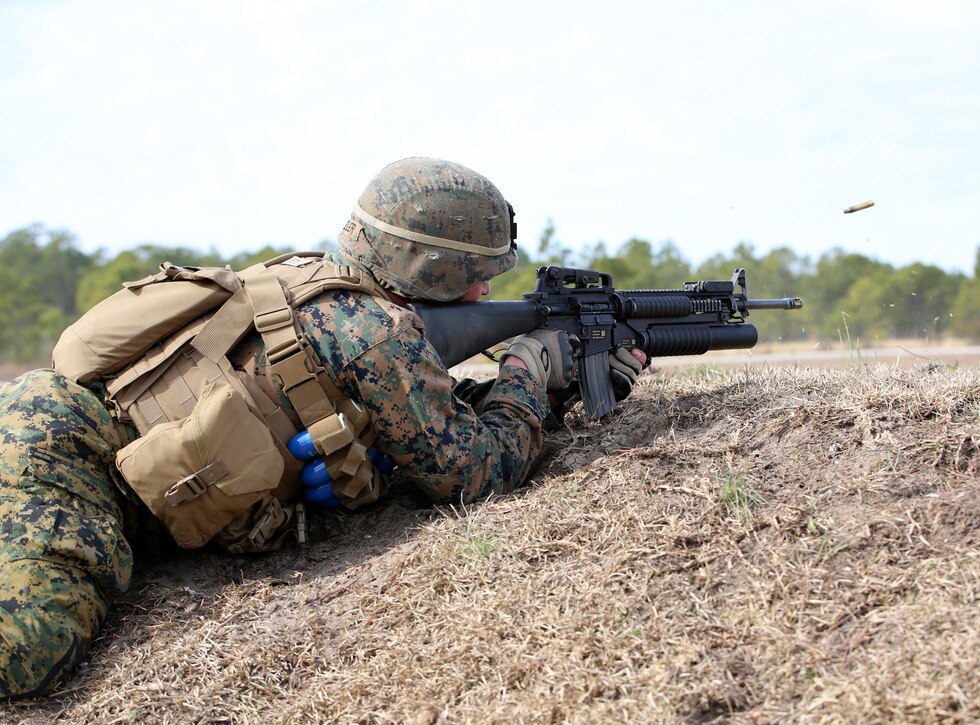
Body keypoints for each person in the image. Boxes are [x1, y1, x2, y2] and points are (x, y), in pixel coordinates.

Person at [0, 157, 647, 697]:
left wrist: (556, 387)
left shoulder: (316, 279)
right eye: (476, 274)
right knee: (33, 647)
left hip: (66, 432)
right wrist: (527, 367)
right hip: (67, 453)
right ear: (434, 271)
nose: (483, 293)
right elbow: (475, 471)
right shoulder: (376, 333)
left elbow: (422, 422)